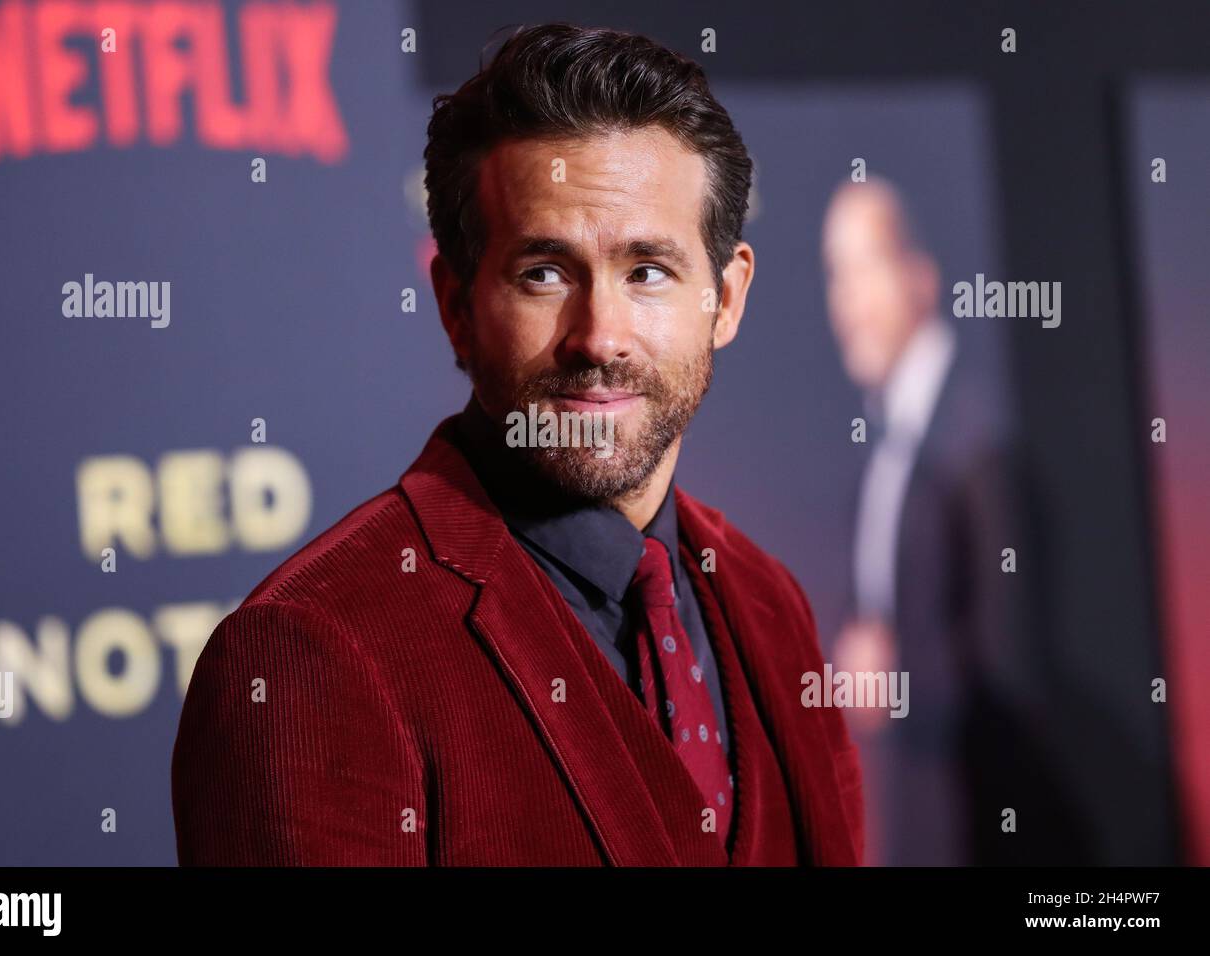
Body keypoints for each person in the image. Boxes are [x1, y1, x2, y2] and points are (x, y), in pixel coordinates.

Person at [171, 23, 863, 866]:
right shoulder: (310, 653)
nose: (599, 336)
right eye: (545, 272)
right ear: (456, 305)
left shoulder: (768, 602)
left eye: (648, 271)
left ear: (725, 299)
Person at [822, 178, 1037, 864]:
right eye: (835, 273)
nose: (846, 298)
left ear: (921, 277)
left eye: (865, 266)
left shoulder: (977, 436)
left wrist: (896, 680)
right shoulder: (885, 442)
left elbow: (1011, 659)